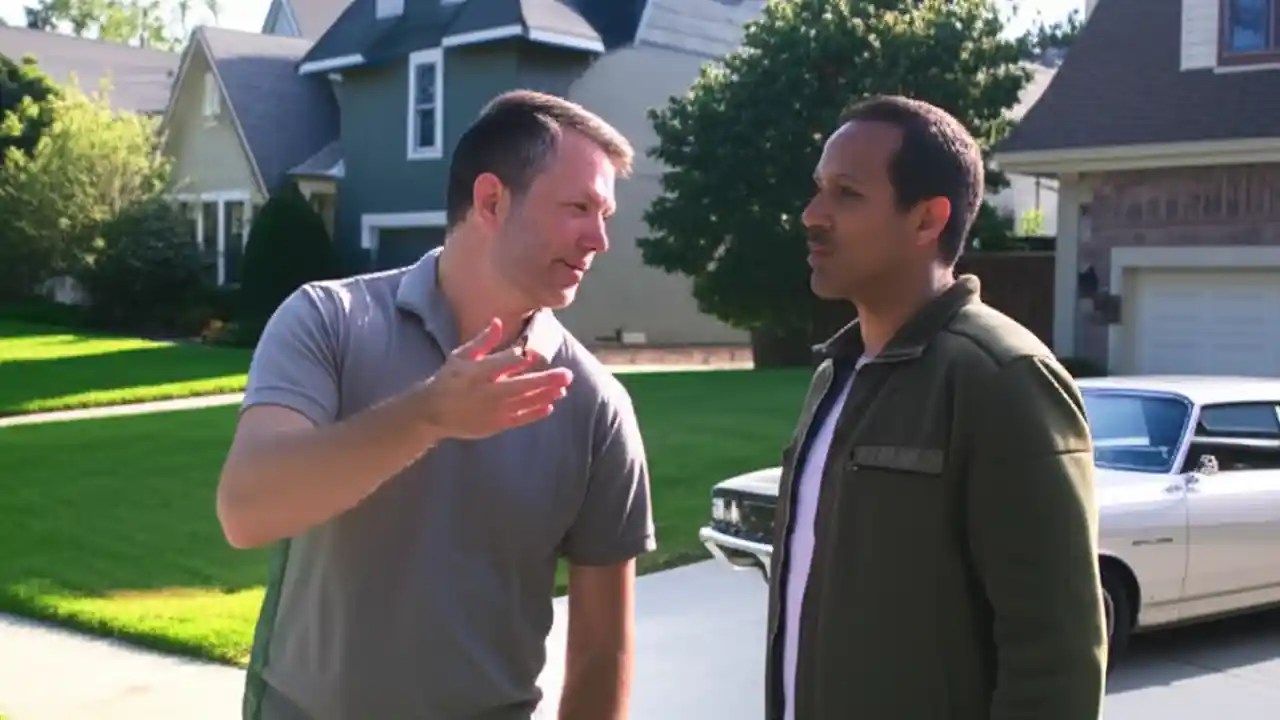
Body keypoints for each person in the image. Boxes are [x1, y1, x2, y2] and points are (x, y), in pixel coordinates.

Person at [216, 90, 656, 720]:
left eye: (605, 213)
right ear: (492, 201)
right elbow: (246, 511)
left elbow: (601, 653)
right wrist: (427, 415)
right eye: (579, 207)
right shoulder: (329, 322)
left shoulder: (596, 405)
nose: (600, 239)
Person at [764, 95, 1107, 720]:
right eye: (818, 190)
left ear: (927, 219)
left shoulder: (1003, 379)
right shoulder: (833, 378)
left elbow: (1056, 657)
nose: (811, 215)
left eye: (846, 194)